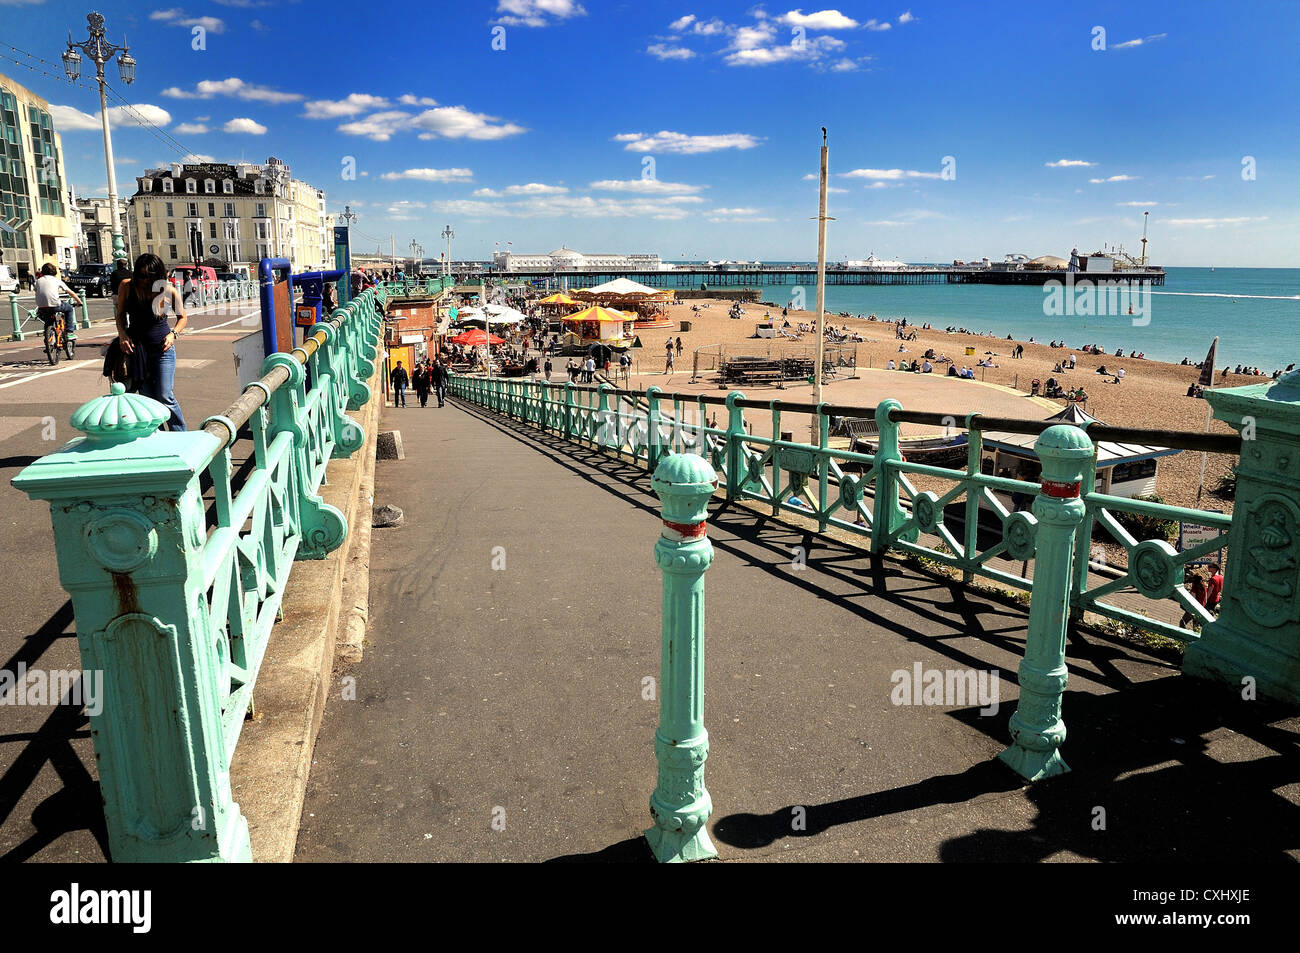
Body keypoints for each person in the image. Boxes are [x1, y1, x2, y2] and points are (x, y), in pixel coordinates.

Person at [114, 253, 188, 431]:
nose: (144, 280)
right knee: (147, 398)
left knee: (164, 395)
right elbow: (121, 315)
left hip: (163, 349)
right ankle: (157, 436)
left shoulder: (168, 290)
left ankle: (180, 434)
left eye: (149, 276)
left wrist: (173, 335)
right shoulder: (127, 286)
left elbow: (182, 318)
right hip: (138, 351)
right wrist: (122, 335)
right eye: (140, 275)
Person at [34, 263, 83, 340]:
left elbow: (37, 291)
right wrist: (79, 301)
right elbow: (70, 292)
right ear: (54, 272)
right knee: (69, 309)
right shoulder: (56, 280)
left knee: (48, 320)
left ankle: (48, 337)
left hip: (41, 307)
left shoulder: (38, 281)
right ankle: (70, 332)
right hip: (55, 305)